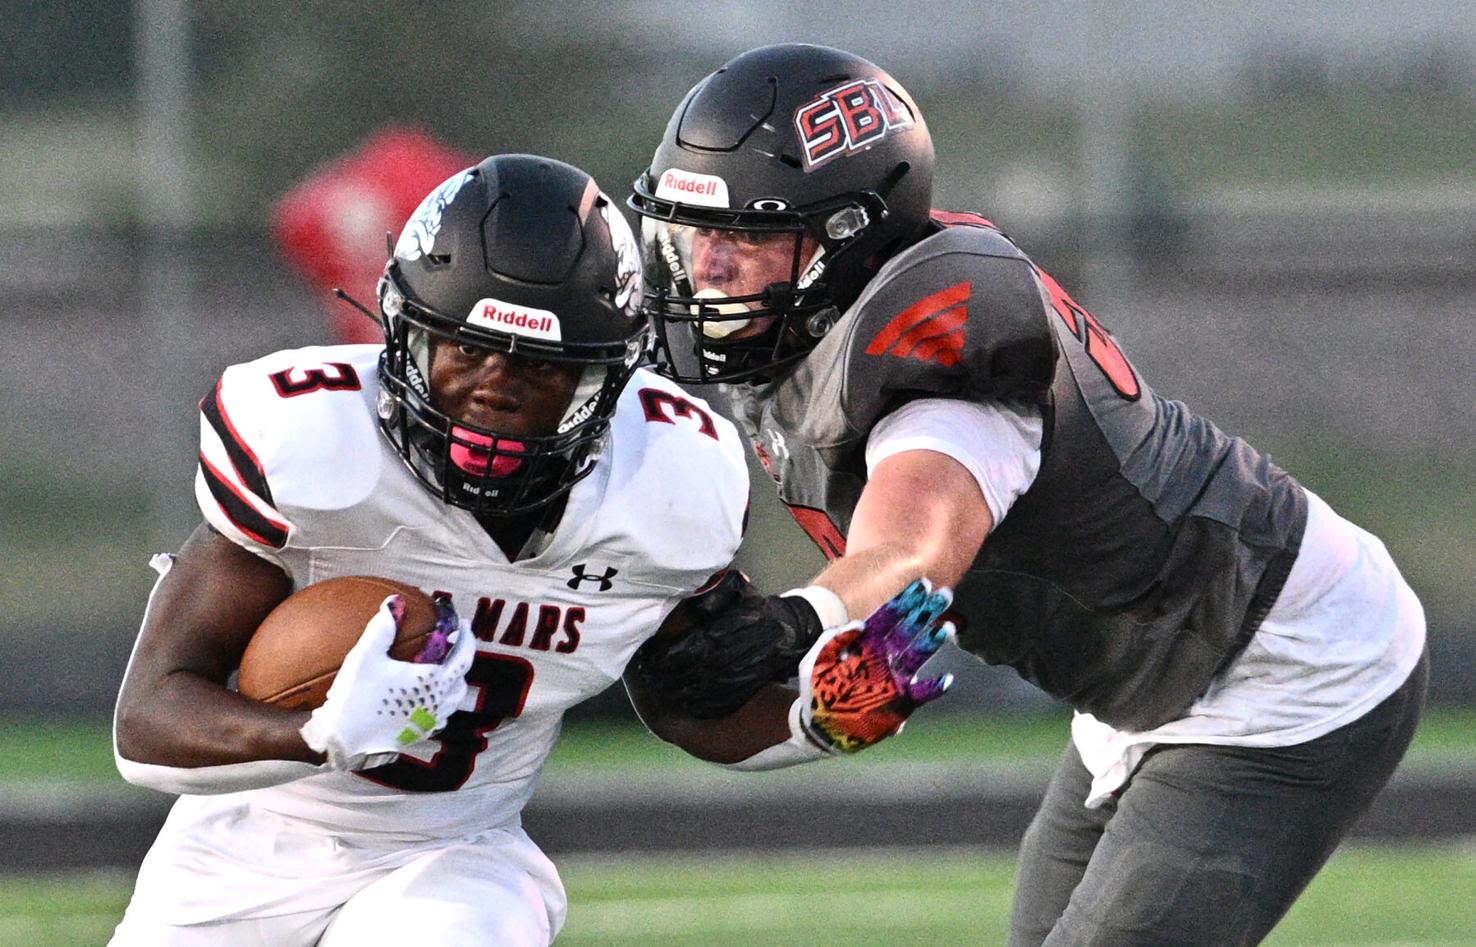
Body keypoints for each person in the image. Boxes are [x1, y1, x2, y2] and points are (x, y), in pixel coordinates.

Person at [625, 44, 1428, 946]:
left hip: (1280, 659)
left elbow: (910, 549)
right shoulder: (804, 345)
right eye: (695, 233)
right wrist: (805, 711)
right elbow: (775, 685)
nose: (709, 267)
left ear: (847, 237)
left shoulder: (942, 359)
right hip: (1138, 682)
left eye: (749, 236)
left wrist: (798, 620)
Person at [110, 152, 954, 945]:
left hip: (456, 853)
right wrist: (319, 731)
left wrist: (811, 718)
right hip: (244, 839)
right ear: (405, 339)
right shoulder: (313, 450)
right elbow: (148, 721)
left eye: (541, 369)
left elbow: (691, 701)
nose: (495, 390)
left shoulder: (662, 487)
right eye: (465, 352)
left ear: (607, 380)